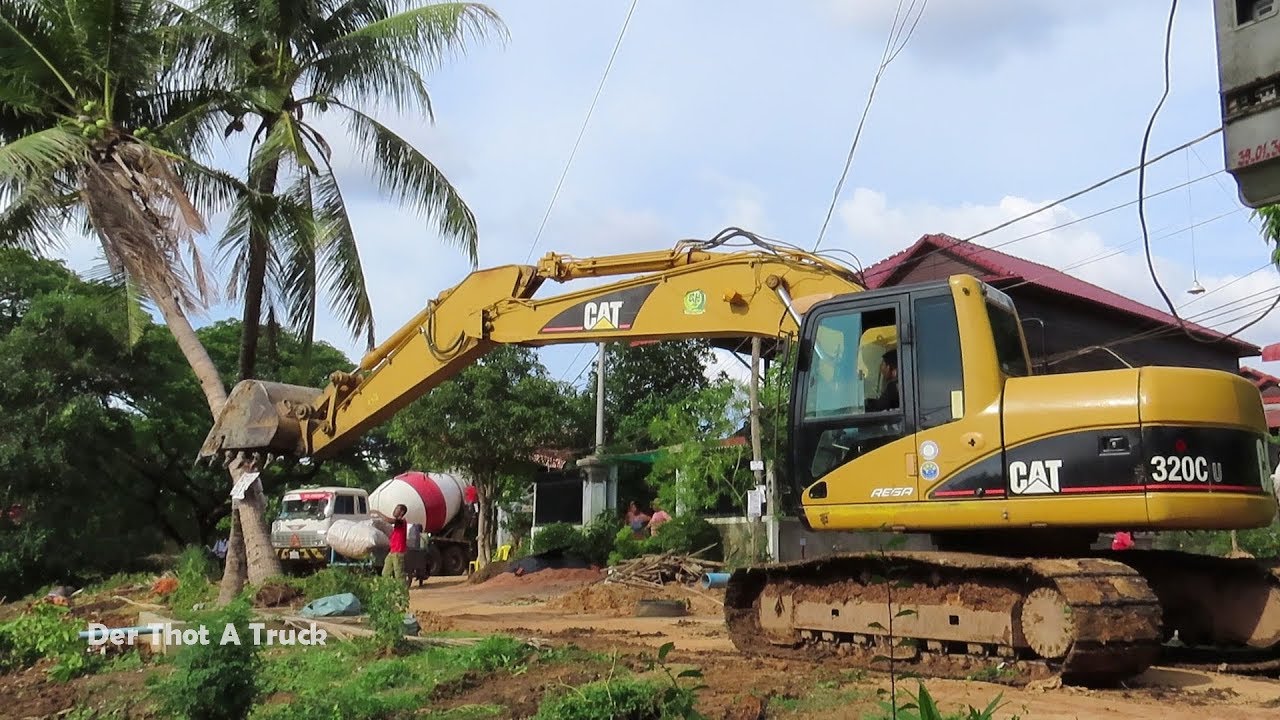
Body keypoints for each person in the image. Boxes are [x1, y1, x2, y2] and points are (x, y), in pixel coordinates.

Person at [372, 504, 410, 586]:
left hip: (398, 552)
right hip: (393, 551)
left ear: (402, 512)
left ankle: (402, 591)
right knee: (385, 573)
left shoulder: (402, 521)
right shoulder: (398, 523)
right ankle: (387, 589)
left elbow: (388, 520)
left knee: (399, 574)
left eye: (397, 509)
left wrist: (378, 513)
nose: (394, 510)